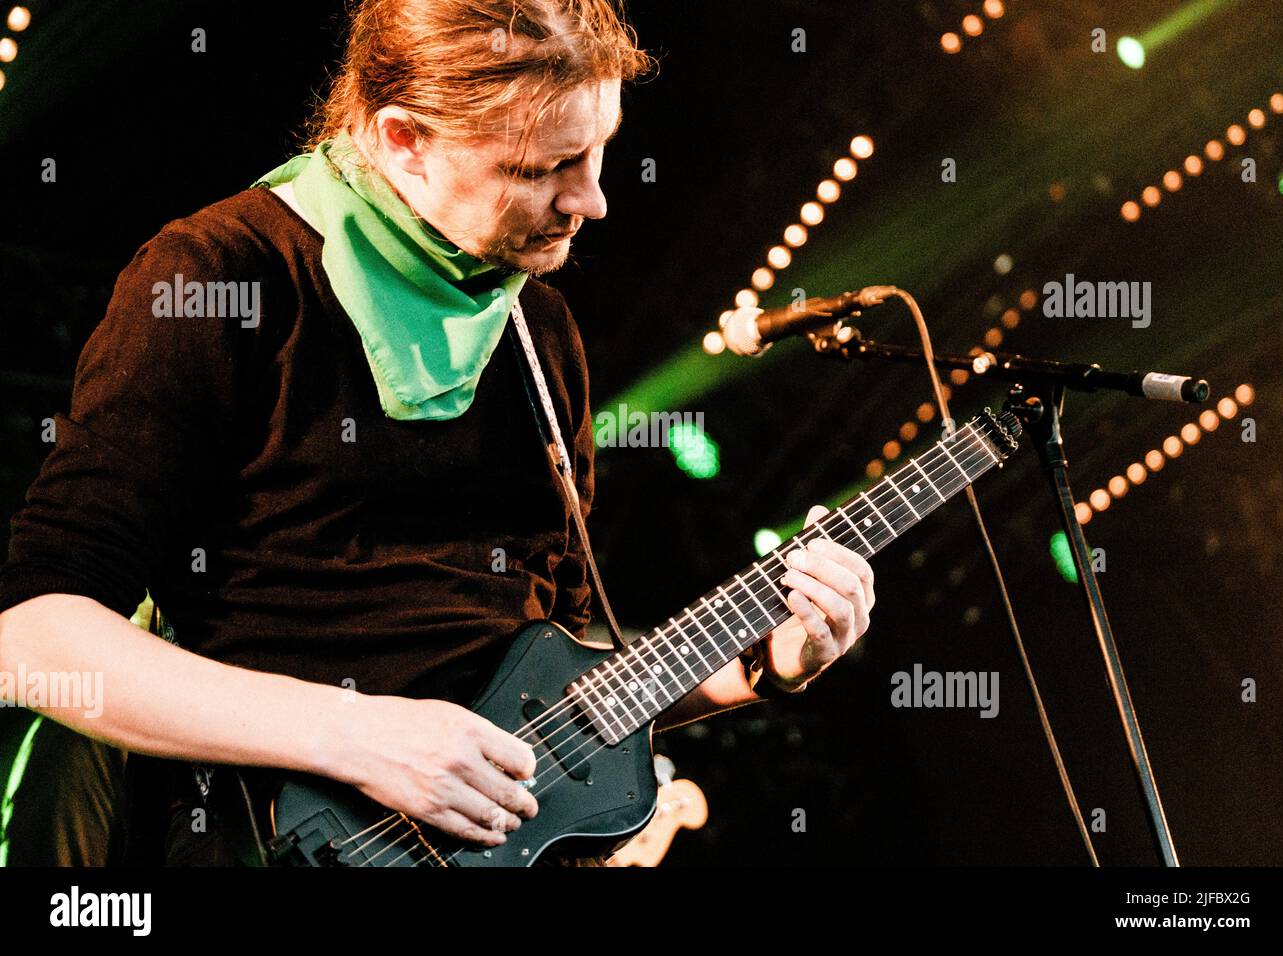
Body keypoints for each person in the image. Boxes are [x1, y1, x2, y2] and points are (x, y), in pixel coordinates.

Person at [0, 0, 875, 866]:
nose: (594, 200)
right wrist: (356, 737)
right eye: (546, 167)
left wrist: (759, 665)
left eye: (598, 151)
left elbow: (564, 687)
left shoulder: (544, 333)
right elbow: (32, 635)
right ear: (403, 139)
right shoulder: (219, 274)